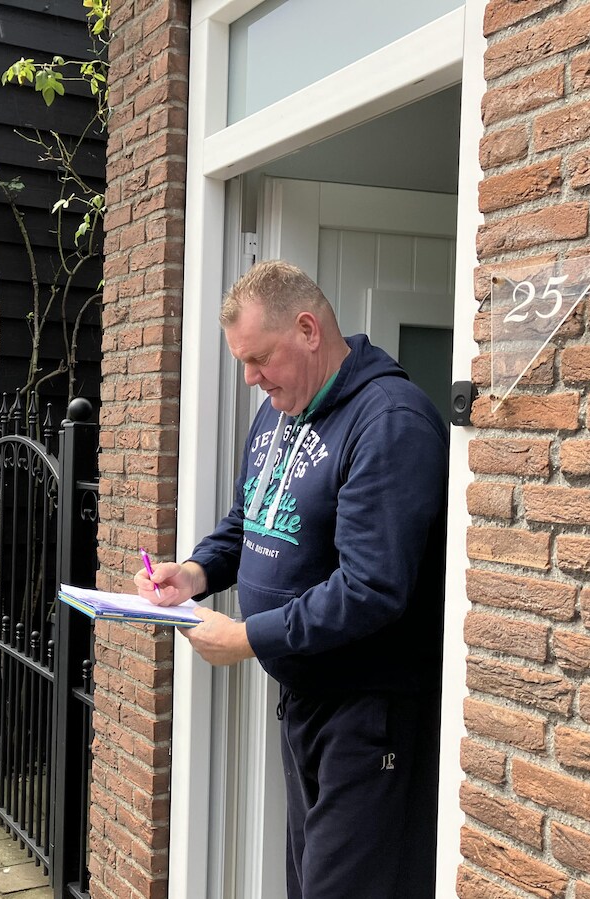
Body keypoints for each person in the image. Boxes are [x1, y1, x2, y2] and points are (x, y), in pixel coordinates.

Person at [137, 261, 448, 899]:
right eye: (243, 363)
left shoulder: (390, 422)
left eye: (259, 359)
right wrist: (194, 573)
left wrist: (250, 637)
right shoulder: (283, 413)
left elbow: (371, 588)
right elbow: (249, 518)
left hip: (370, 712)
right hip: (307, 704)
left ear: (308, 329)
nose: (251, 379)